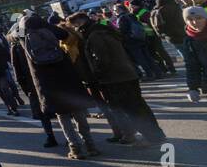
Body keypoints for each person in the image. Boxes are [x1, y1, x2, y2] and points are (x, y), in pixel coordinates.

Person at [67, 12, 167, 147]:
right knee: (139, 106)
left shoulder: (95, 35)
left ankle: (152, 138)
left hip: (115, 78)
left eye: (75, 25)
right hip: (126, 73)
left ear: (80, 23)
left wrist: (98, 74)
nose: (75, 29)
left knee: (132, 109)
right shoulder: (103, 30)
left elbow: (103, 59)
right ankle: (156, 135)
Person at [14, 13, 101, 159]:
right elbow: (63, 34)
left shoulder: (23, 37)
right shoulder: (49, 30)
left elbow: (14, 35)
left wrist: (20, 21)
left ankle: (75, 148)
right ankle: (90, 144)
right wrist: (42, 21)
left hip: (46, 81)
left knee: (63, 116)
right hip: (66, 75)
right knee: (78, 111)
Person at [112, 2, 161, 80]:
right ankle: (158, 72)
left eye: (114, 10)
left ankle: (149, 74)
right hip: (141, 38)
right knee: (147, 57)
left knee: (141, 59)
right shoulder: (131, 15)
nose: (113, 12)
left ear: (119, 10)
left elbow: (122, 31)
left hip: (131, 41)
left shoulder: (121, 18)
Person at [183, 6, 207, 100]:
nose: (194, 22)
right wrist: (193, 88)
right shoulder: (189, 40)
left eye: (199, 18)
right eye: (190, 19)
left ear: (206, 18)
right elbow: (192, 65)